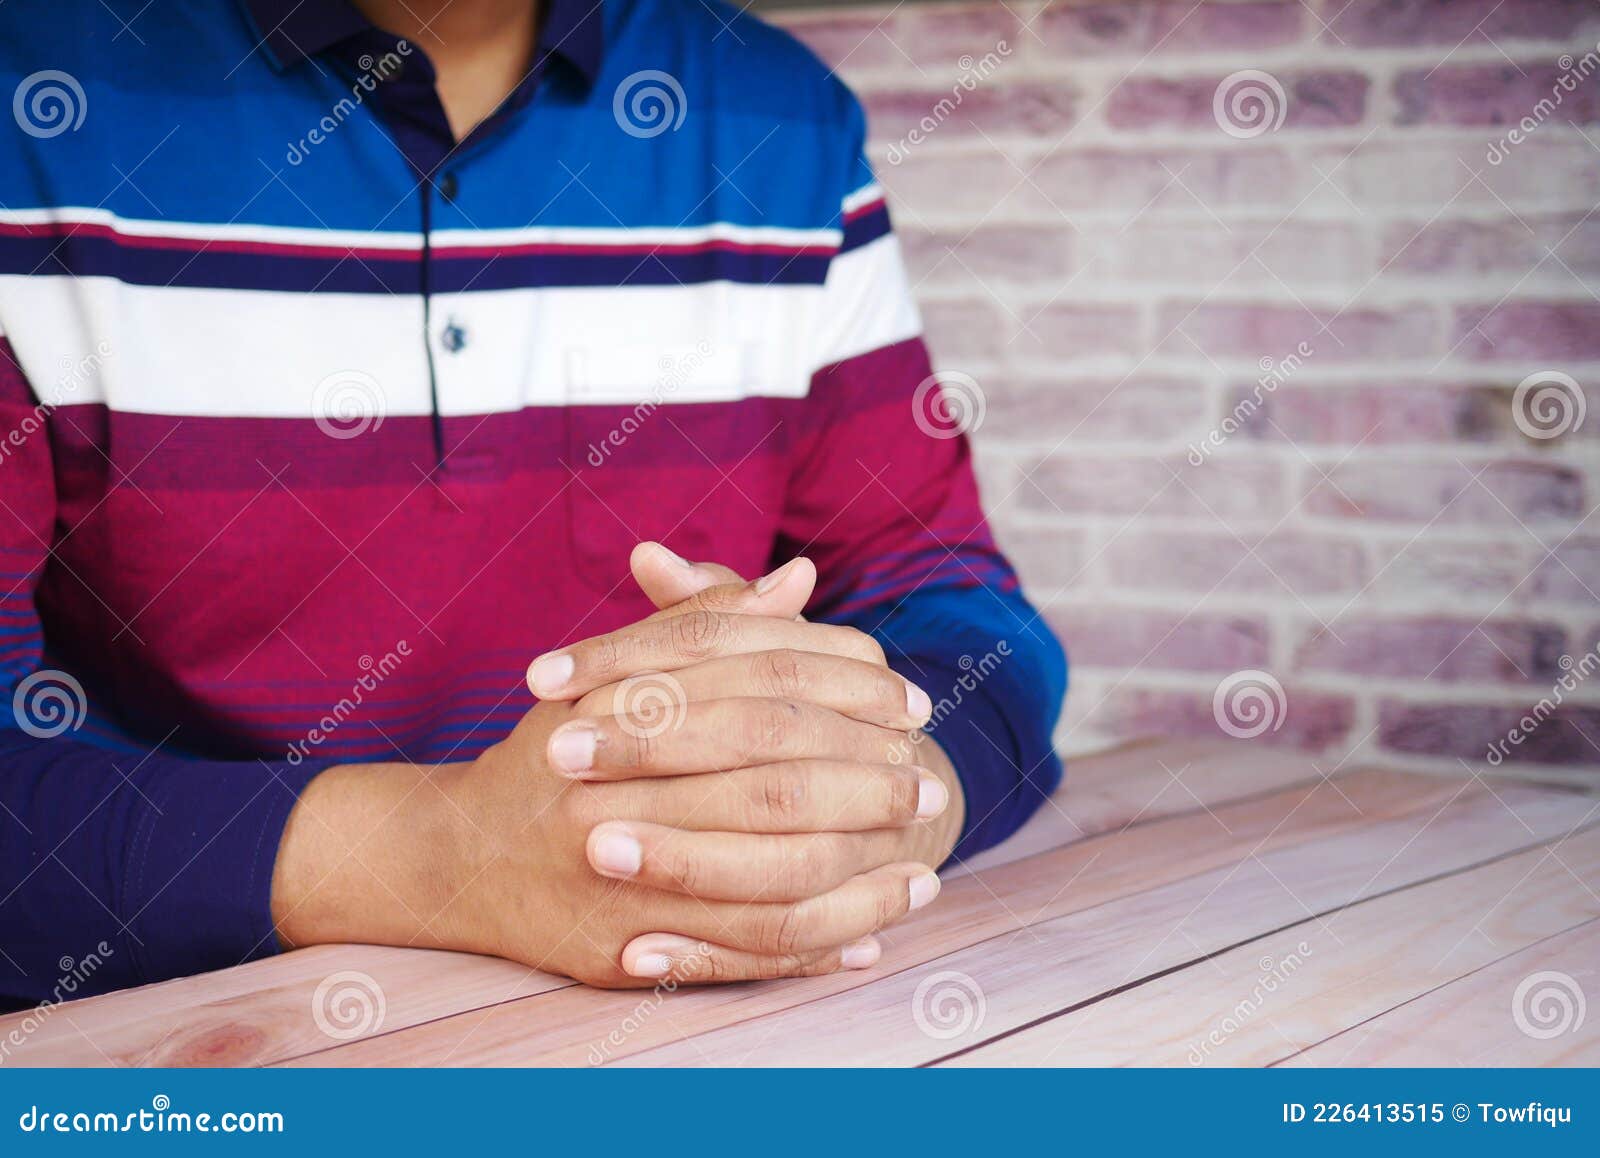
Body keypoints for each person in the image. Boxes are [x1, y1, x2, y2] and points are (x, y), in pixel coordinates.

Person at [0, 0, 1066, 1005]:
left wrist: (879, 792)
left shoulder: (778, 119)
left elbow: (958, 606)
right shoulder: (32, 92)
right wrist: (447, 853)